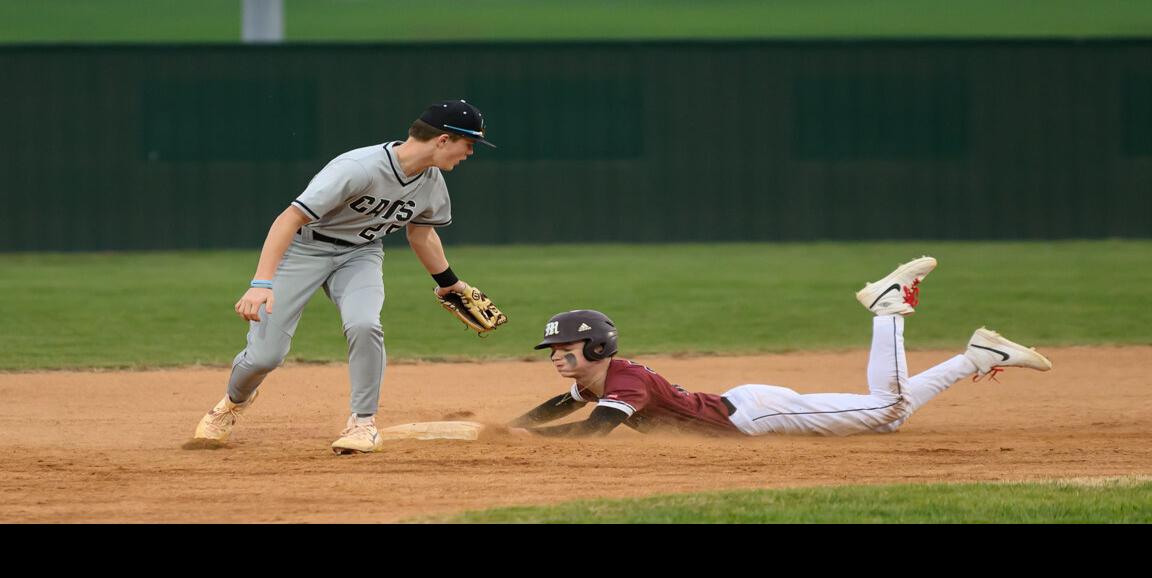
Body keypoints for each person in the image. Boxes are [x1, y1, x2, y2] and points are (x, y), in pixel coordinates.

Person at [191, 100, 496, 454]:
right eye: (469, 144)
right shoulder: (358, 168)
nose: (470, 152)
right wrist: (261, 284)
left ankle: (362, 424)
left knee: (365, 325)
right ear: (443, 140)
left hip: (361, 254)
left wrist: (450, 284)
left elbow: (421, 234)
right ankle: (230, 404)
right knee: (264, 357)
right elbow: (288, 219)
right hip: (304, 250)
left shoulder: (431, 182)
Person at [508, 257, 1052, 438]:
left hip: (758, 416)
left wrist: (522, 446)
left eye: (566, 347)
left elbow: (592, 432)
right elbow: (563, 407)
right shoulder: (599, 379)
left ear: (597, 347)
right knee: (887, 417)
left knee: (887, 409)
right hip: (748, 408)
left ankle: (889, 308)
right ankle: (978, 357)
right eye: (553, 349)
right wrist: (515, 427)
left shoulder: (621, 381)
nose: (556, 355)